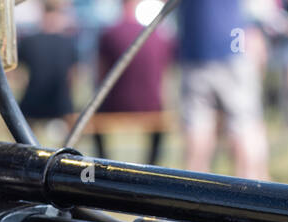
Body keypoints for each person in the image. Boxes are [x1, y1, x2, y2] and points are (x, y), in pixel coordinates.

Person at [176, 0, 271, 180]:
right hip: (232, 50)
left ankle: (195, 196)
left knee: (199, 129)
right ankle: (251, 196)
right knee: (244, 127)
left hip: (199, 51)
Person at [92, 0, 174, 165]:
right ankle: (152, 166)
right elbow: (165, 75)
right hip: (150, 105)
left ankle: (103, 162)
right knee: (162, 116)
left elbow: (99, 77)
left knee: (93, 118)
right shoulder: (159, 34)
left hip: (115, 105)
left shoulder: (109, 34)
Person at [17, 0, 79, 143]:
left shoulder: (29, 41)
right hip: (61, 103)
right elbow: (74, 76)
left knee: (21, 134)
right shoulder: (69, 42)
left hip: (33, 102)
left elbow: (17, 74)